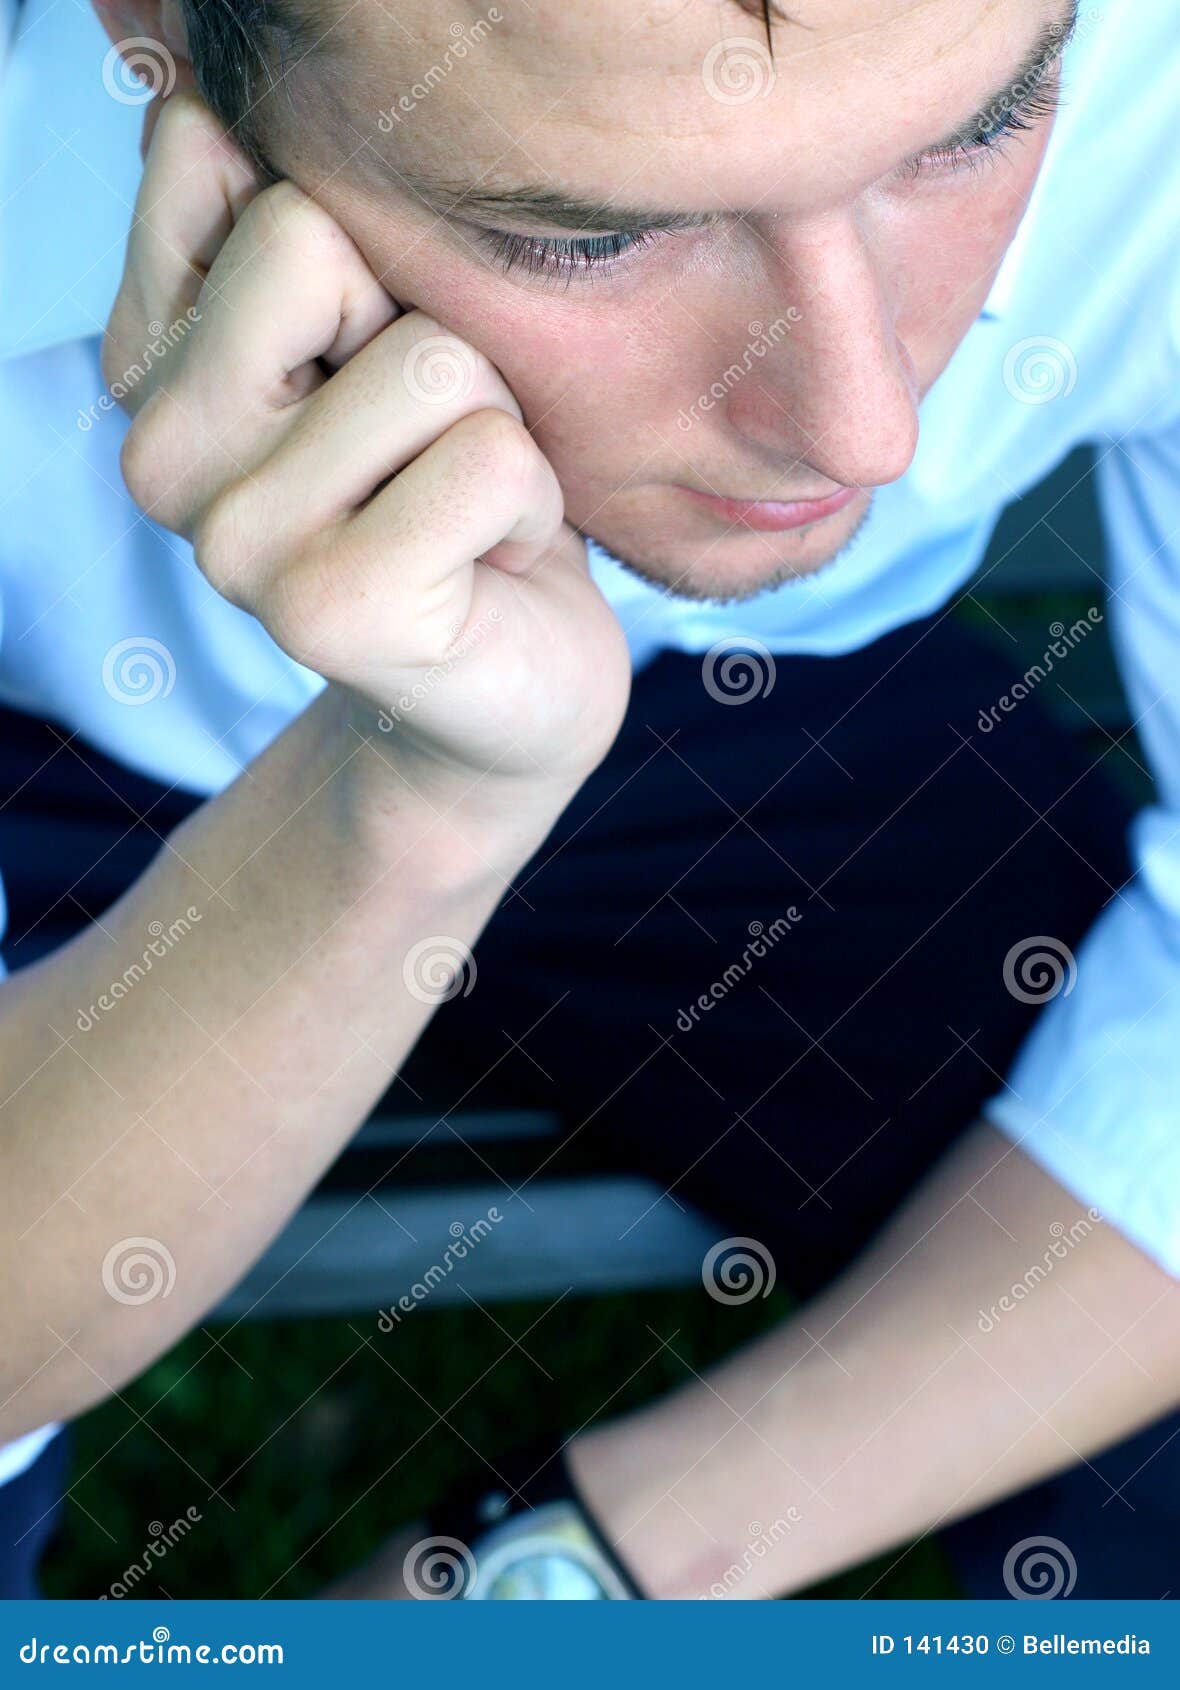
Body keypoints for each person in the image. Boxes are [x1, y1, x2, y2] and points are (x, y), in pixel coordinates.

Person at [1, 0, 1178, 1600]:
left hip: (769, 708)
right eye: (591, 237)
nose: (862, 425)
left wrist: (589, 1574)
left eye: (976, 129)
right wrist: (418, 798)